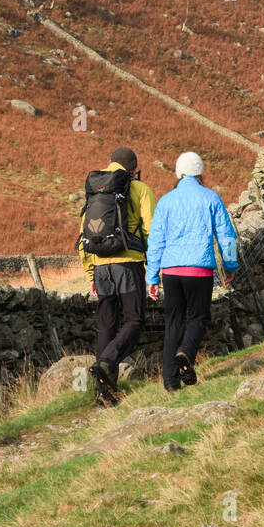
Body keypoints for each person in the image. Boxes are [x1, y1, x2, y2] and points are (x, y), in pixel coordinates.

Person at [145, 151, 239, 391]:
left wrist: (152, 277)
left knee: (173, 321)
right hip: (200, 270)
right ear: (200, 172)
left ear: (179, 173)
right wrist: (230, 266)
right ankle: (186, 352)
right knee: (199, 317)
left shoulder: (166, 201)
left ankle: (170, 382)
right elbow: (226, 236)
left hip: (171, 271)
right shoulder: (211, 198)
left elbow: (156, 241)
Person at [78, 146, 154, 406]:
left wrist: (90, 271)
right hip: (128, 264)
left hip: (100, 265)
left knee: (106, 325)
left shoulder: (95, 190)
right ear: (133, 167)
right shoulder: (139, 189)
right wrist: (154, 271)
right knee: (133, 319)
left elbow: (83, 235)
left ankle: (104, 395)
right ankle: (107, 361)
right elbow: (151, 231)